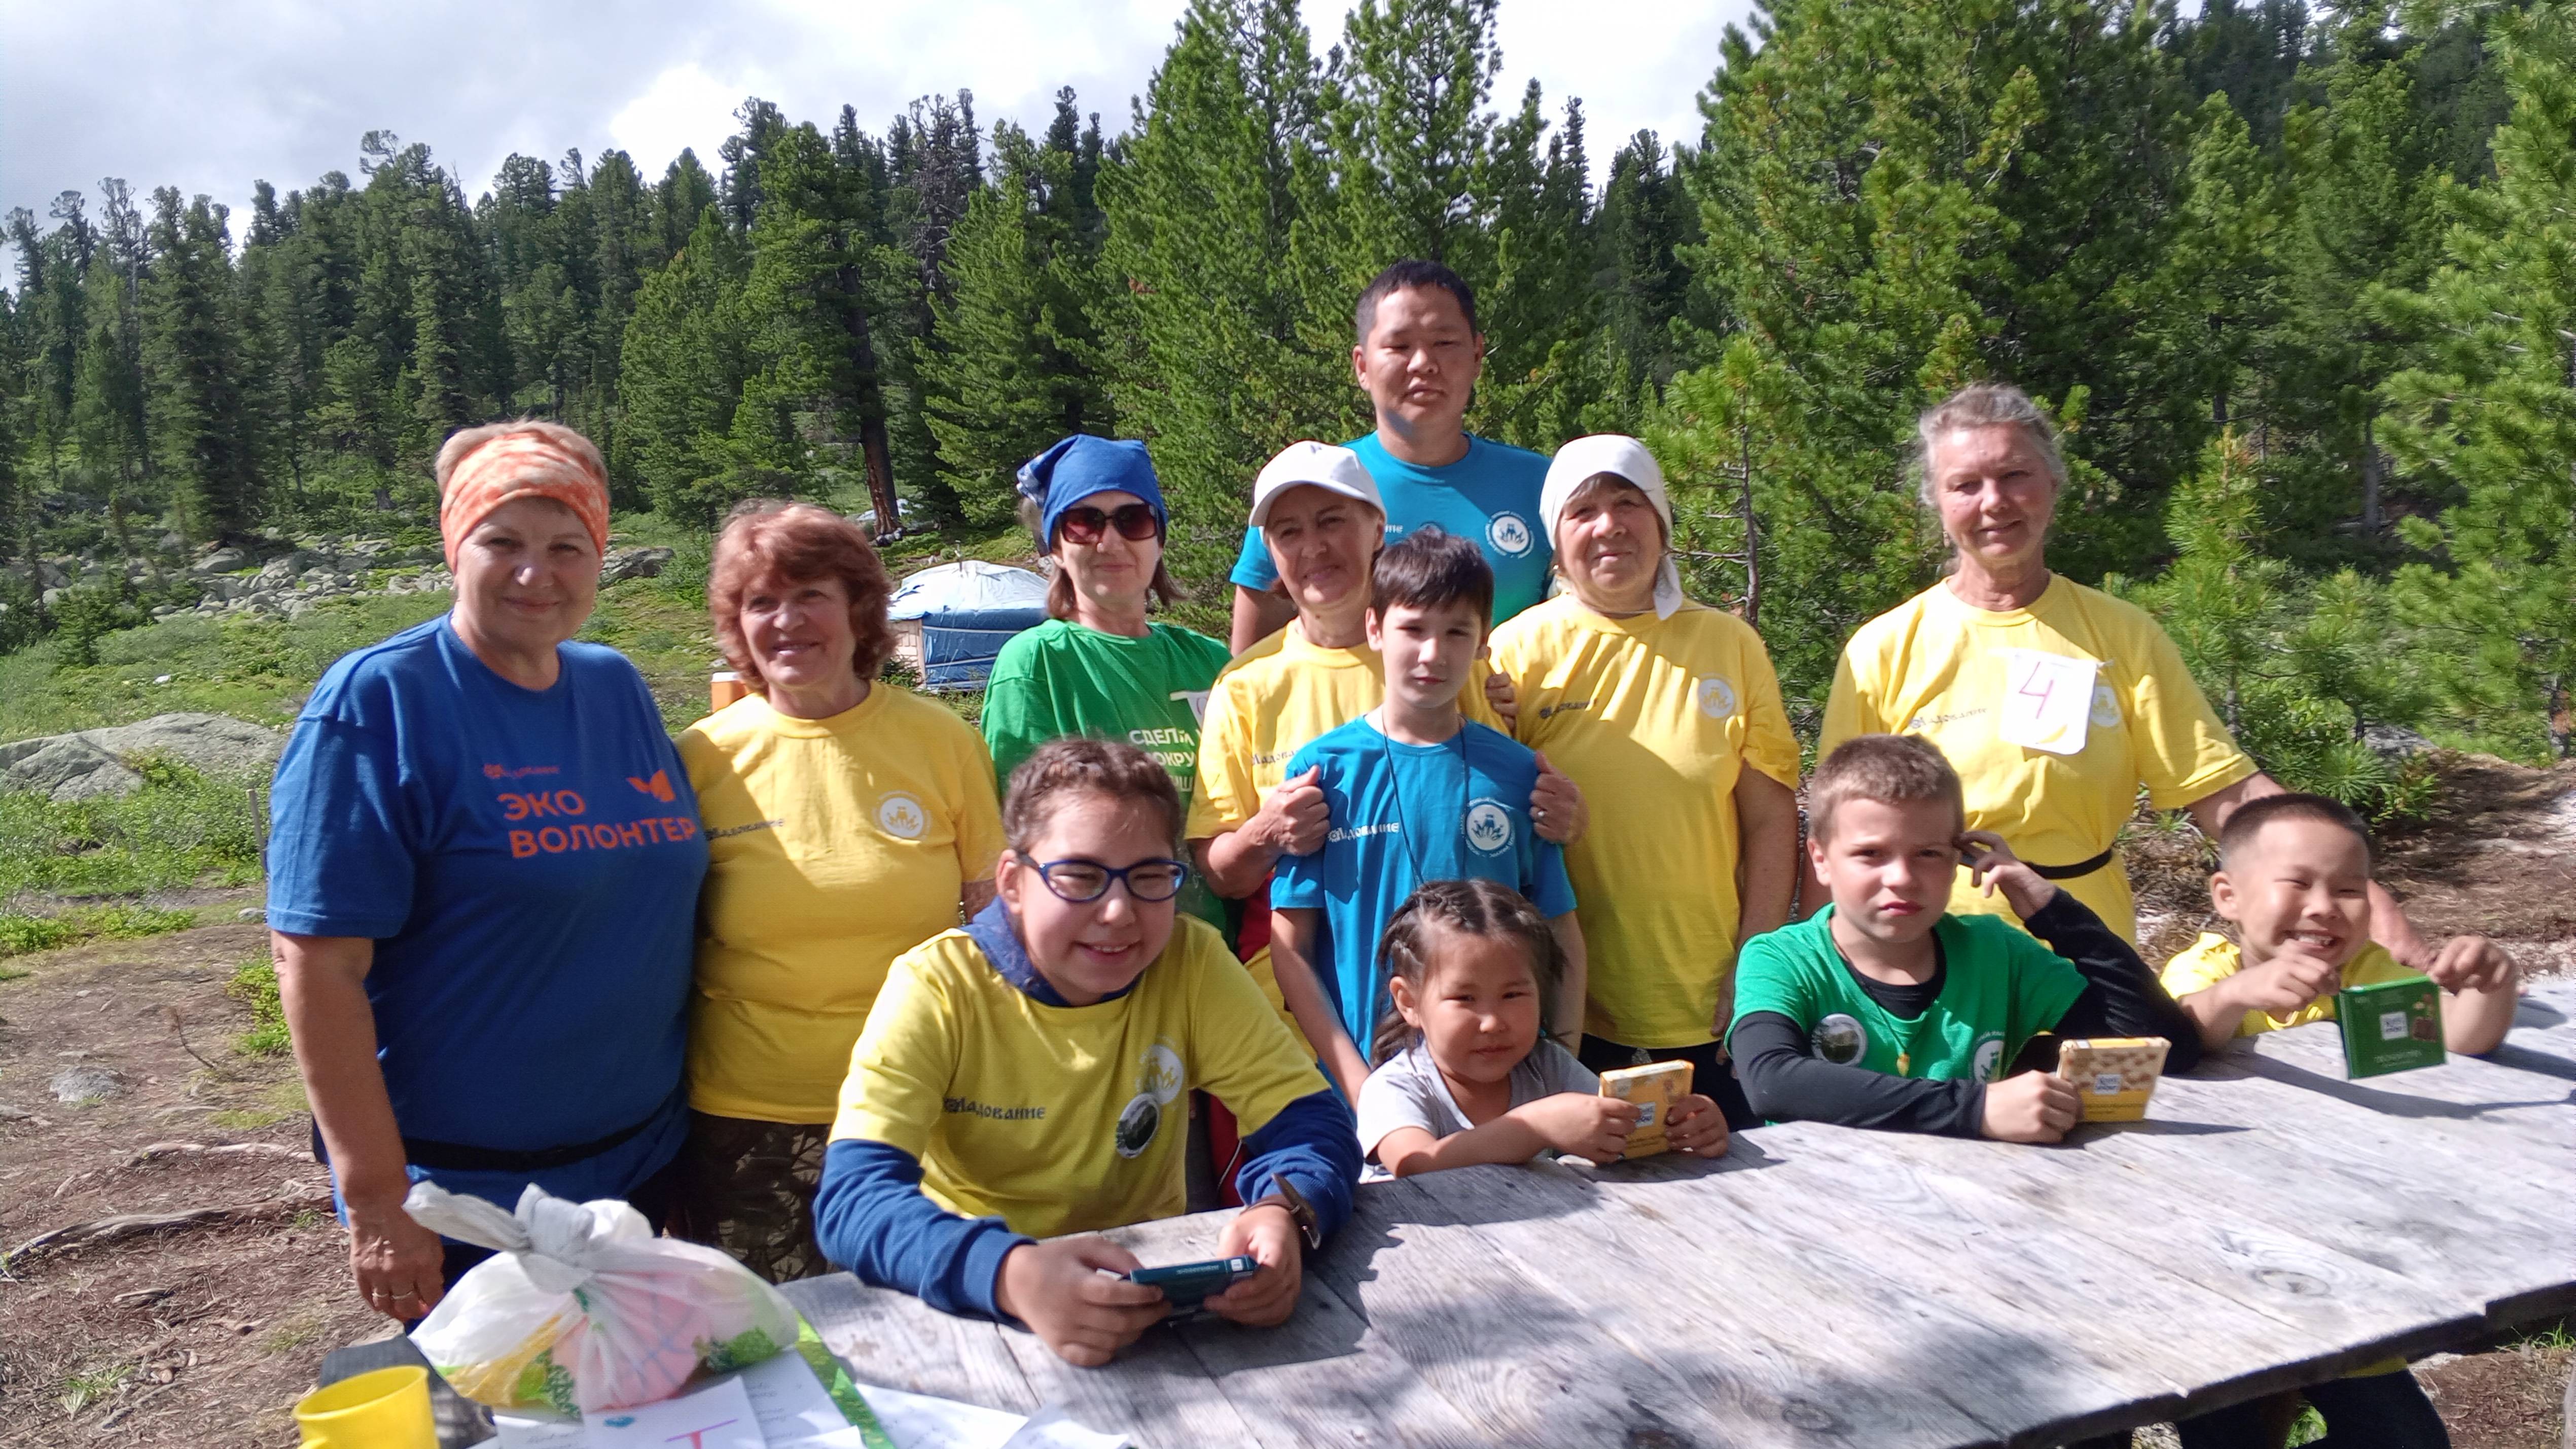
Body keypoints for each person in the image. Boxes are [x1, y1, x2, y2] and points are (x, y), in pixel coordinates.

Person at [267, 420, 707, 1322]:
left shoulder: (614, 686)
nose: (535, 574)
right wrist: (378, 1198)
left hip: (642, 1164)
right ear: (453, 549)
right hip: (466, 1200)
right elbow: (316, 965)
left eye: (566, 547)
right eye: (501, 542)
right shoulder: (381, 700)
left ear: (599, 558)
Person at [1818, 382, 2436, 964]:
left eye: (2014, 476)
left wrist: (2361, 895)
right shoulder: (1883, 649)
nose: (1993, 502)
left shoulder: (2122, 635)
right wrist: (1816, 971)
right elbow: (1839, 830)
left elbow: (2223, 791)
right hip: (1929, 950)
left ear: (2053, 484)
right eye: (1965, 485)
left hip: (2085, 945)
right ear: (1936, 502)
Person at [811, 739, 1361, 1366]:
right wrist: (1010, 1273)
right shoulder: (936, 986)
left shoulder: (1190, 960)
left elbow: (1309, 1122)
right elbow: (853, 1199)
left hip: (1153, 1307)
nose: (1119, 911)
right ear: (1012, 883)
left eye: (1149, 877)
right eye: (1080, 876)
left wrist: (1285, 1210)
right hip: (966, 1308)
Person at [672, 501, 1005, 1283]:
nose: (787, 620)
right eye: (761, 601)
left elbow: (995, 923)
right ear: (736, 623)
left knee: (929, 1329)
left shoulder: (942, 740)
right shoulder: (700, 760)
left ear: (859, 607)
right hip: (749, 1119)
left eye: (810, 595)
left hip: (920, 1104)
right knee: (772, 1339)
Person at [1489, 435, 1800, 1127]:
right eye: (1582, 511)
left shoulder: (1730, 645)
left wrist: (1757, 968)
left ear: (1661, 521)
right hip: (1567, 1010)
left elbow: (1771, 820)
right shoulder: (1515, 652)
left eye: (1628, 503)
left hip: (1709, 1007)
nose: (1609, 526)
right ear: (1556, 540)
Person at [1189, 442, 1584, 964]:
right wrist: (1267, 833)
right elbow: (1221, 875)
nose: (1313, 547)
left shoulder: (1447, 661)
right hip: (1288, 993)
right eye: (1288, 532)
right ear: (1269, 549)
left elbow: (1507, 809)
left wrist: (1559, 814)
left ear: (1377, 528)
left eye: (1332, 521)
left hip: (1455, 982)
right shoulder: (1244, 685)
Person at [1729, 735, 2202, 1141]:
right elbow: (1772, 1081)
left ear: (1959, 857)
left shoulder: (1997, 953)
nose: (1902, 877)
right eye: (1871, 853)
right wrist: (1976, 1108)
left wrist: (2054, 911)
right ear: (1821, 858)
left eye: (1928, 854)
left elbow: (2160, 1046)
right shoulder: (1782, 958)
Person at [1229, 260, 1552, 652]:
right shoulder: (1306, 488)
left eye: (1444, 343)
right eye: (1399, 346)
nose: (1423, 363)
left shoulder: (1542, 486)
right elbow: (1251, 663)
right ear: (1362, 366)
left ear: (1477, 355)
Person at [981, 435, 1233, 932]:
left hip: (1218, 952)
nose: (1110, 542)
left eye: (1133, 520)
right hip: (1099, 942)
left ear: (1159, 540)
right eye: (1084, 522)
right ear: (1056, 546)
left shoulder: (1211, 661)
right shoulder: (1035, 664)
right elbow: (1016, 833)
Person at [1357, 879, 1727, 1177]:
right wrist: (1535, 1127)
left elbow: (1619, 1129)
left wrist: (1684, 1126)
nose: (1493, 1021)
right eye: (1465, 998)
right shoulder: (1394, 1088)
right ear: (1409, 1002)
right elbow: (1415, 1165)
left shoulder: (1546, 1065)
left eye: (1513, 994)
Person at [2162, 793, 2519, 1056]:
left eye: (2348, 890)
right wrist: (2233, 995)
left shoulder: (2362, 970)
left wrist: (2489, 987)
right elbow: (2175, 1036)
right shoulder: (2206, 968)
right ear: (2229, 896)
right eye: (2298, 883)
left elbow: (2456, 1035)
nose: (2324, 907)